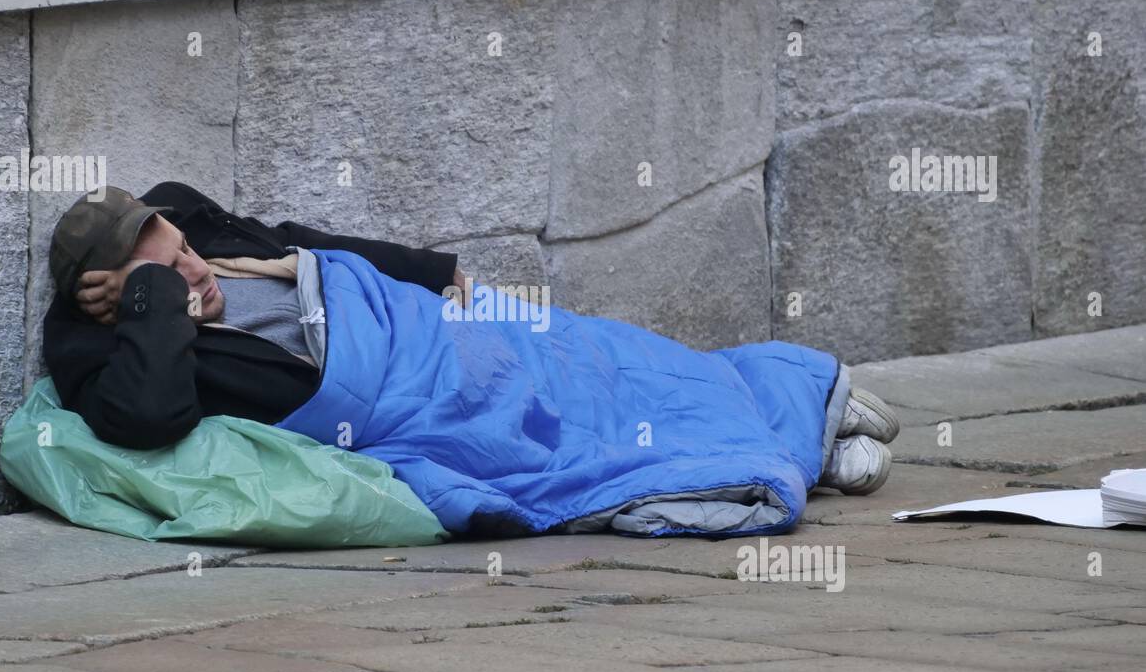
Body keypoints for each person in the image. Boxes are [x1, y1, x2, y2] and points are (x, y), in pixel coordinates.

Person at [43, 182, 899, 496]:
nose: (193, 271)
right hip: (409, 392)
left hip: (419, 322)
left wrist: (434, 276)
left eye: (184, 254)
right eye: (164, 275)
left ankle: (792, 390)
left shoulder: (204, 235)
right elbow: (149, 414)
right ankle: (802, 443)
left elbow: (298, 235)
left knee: (597, 351)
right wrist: (152, 301)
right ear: (118, 302)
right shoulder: (121, 364)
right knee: (582, 433)